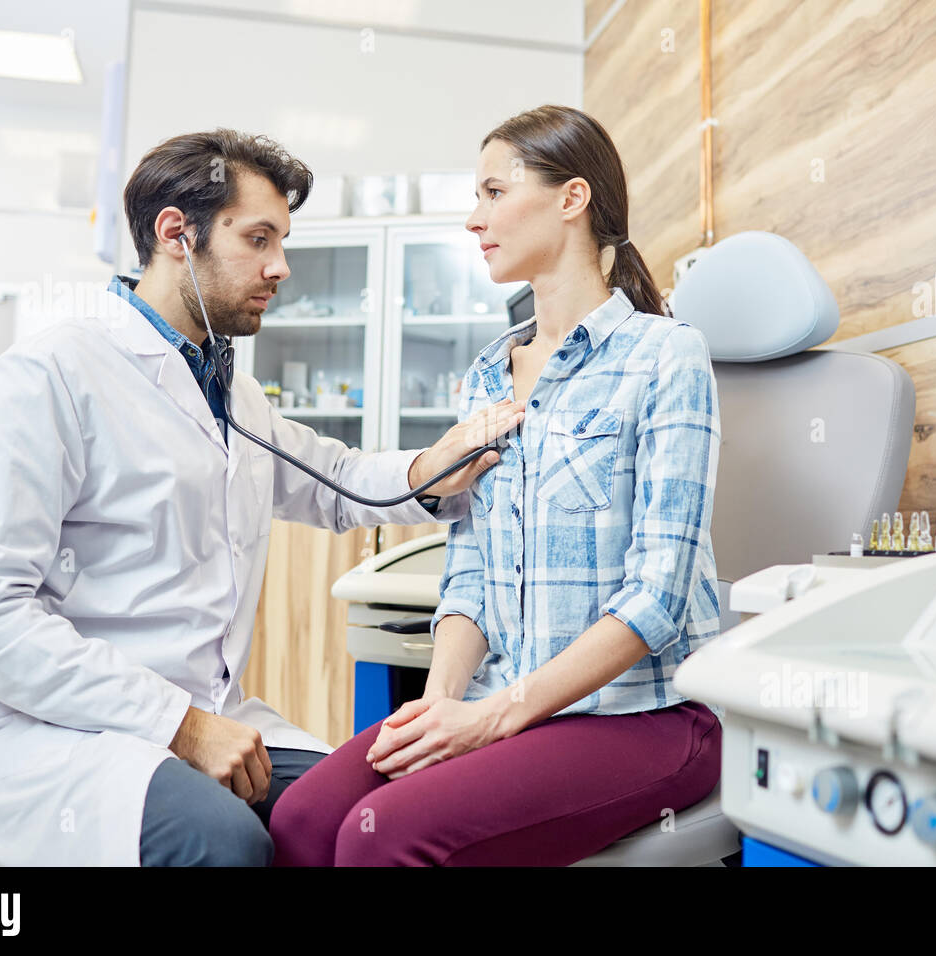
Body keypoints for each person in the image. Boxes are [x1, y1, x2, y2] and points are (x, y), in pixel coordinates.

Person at [0, 129, 520, 866]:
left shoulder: (225, 386)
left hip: (206, 718)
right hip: (62, 735)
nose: (281, 267)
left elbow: (330, 479)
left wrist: (437, 463)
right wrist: (179, 724)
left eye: (283, 240)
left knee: (362, 810)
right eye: (259, 238)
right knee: (226, 842)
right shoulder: (49, 376)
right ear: (178, 233)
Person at [269, 105, 723, 866]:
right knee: (303, 819)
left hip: (644, 713)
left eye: (491, 192)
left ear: (572, 198)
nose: (473, 218)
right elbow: (471, 574)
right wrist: (444, 700)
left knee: (383, 840)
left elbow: (657, 597)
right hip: (505, 695)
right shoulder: (488, 374)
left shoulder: (665, 355)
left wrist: (497, 719)